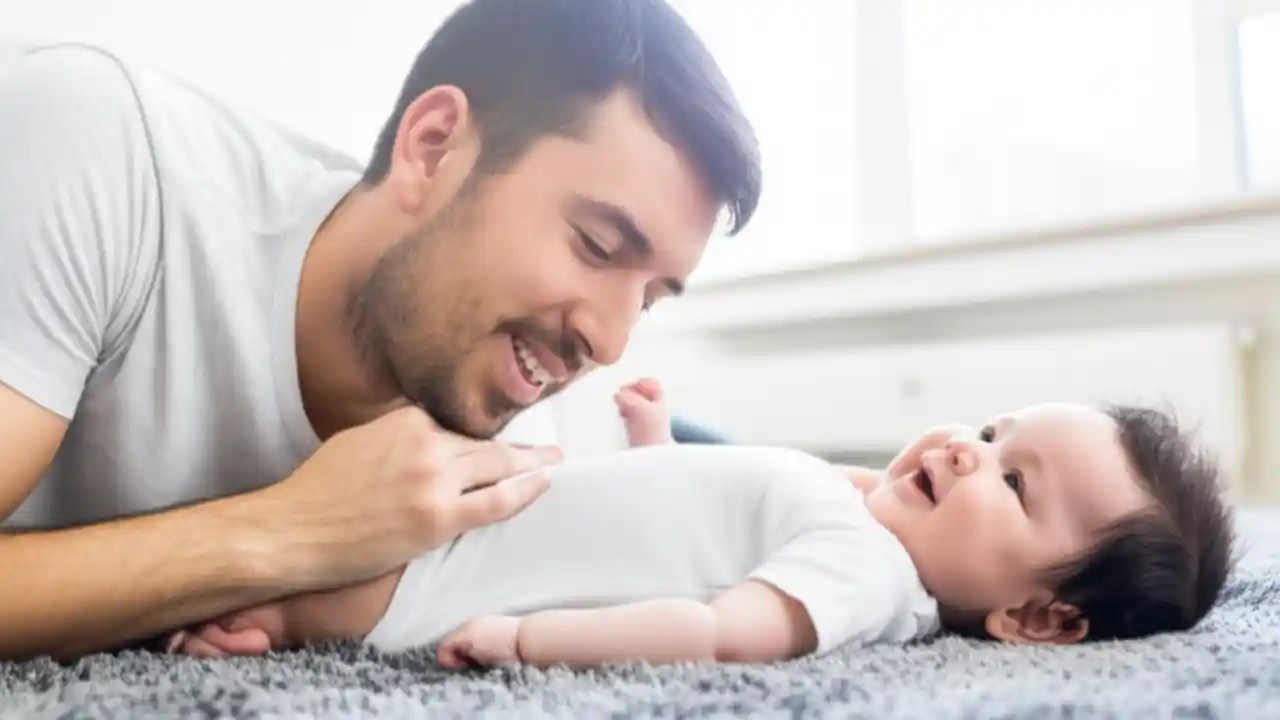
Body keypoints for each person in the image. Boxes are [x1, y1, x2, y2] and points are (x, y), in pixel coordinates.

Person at [0, 0, 761, 660]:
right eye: (595, 246)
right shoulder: (109, 157)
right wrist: (292, 532)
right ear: (432, 147)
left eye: (652, 299)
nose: (610, 343)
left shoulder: (508, 430)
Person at [165, 378, 1235, 669]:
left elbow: (716, 627)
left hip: (447, 579)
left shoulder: (867, 577)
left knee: (301, 578)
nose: (967, 449)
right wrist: (656, 447)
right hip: (489, 512)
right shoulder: (853, 512)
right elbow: (694, 523)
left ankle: (255, 616)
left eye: (1009, 483)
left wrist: (533, 640)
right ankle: (253, 604)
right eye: (996, 428)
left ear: (1036, 618)